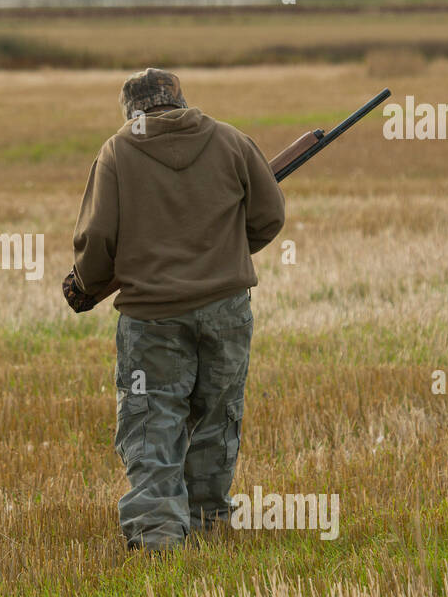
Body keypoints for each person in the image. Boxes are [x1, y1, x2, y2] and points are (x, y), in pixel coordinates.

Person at [62, 68, 285, 551]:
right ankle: (207, 520)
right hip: (226, 310)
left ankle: (157, 531)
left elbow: (98, 242)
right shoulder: (231, 141)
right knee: (217, 415)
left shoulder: (117, 153)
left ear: (131, 111)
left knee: (152, 418)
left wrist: (85, 284)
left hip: (152, 317)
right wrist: (221, 257)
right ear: (179, 100)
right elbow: (270, 216)